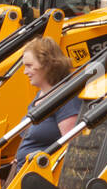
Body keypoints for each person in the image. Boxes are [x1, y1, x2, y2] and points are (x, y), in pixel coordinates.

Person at [9, 38, 81, 174]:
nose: (25, 72)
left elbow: (70, 149)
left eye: (29, 66)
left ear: (47, 64)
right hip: (24, 175)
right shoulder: (40, 97)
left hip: (42, 179)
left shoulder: (66, 99)